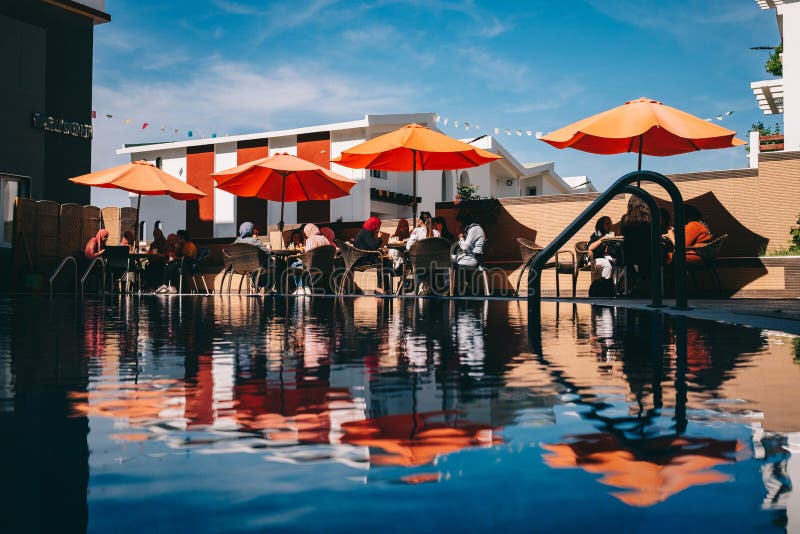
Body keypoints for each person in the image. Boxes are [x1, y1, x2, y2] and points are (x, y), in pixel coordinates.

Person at [620, 195, 652, 293]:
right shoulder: (651, 219)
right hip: (650, 255)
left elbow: (623, 234)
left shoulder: (625, 219)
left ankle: (634, 284)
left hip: (630, 256)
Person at [354, 216, 394, 294]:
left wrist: (379, 250)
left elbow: (370, 247)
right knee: (385, 263)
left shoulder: (365, 232)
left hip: (365, 257)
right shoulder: (365, 233)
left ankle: (384, 288)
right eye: (378, 226)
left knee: (386, 262)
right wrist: (379, 238)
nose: (379, 228)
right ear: (374, 226)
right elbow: (373, 246)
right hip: (362, 259)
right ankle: (382, 288)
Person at [452, 209, 486, 295]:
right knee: (450, 258)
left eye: (459, 224)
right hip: (473, 257)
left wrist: (460, 237)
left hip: (474, 259)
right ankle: (463, 285)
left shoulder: (474, 229)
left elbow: (464, 247)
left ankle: (450, 288)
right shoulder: (475, 228)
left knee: (446, 258)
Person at [290, 224, 330, 295]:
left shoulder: (310, 240)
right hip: (326, 267)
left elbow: (307, 255)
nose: (305, 234)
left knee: (295, 265)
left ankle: (302, 288)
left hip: (312, 266)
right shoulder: (325, 239)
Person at [586, 216, 616, 280]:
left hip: (606, 258)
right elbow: (590, 248)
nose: (610, 225)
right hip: (594, 259)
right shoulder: (597, 235)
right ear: (601, 225)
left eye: (610, 223)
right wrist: (603, 239)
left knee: (619, 262)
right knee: (608, 264)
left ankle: (615, 284)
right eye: (607, 223)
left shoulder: (610, 234)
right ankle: (604, 283)